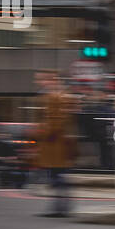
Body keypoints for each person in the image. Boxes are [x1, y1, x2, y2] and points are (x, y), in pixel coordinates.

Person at [35, 70, 77, 217]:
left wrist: (43, 133)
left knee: (57, 175)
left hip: (54, 144)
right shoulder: (60, 95)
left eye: (41, 79)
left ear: (51, 80)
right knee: (57, 175)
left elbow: (55, 121)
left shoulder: (55, 97)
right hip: (58, 144)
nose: (39, 82)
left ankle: (61, 207)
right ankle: (61, 206)